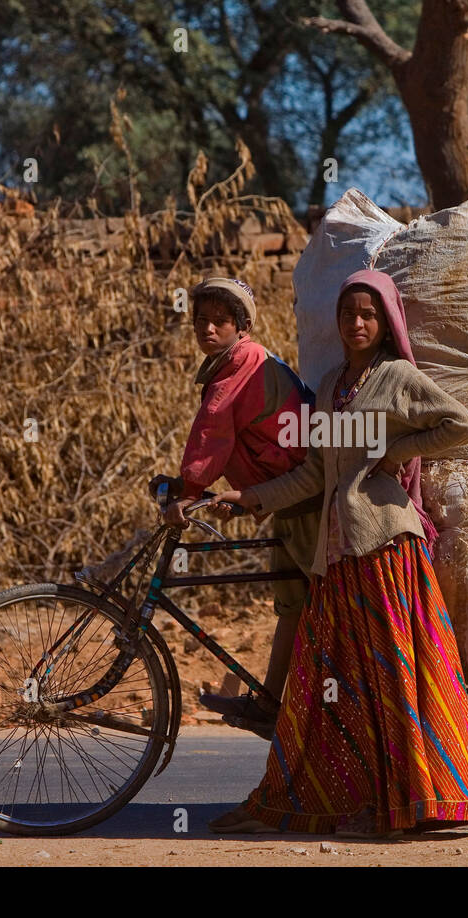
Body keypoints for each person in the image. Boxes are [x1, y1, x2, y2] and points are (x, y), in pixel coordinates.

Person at [206, 269, 468, 837]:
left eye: (367, 314)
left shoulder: (399, 377)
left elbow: (464, 425)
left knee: (392, 685)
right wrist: (251, 498)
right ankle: (298, 800)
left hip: (385, 552)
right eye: (346, 314)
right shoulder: (332, 383)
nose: (355, 323)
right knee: (322, 688)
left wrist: (397, 451)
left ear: (385, 323)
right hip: (335, 560)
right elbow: (315, 473)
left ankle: (405, 807)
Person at [169, 276, 321, 737]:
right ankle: (274, 703)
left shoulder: (243, 362)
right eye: (201, 322)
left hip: (305, 494)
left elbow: (213, 432)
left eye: (219, 322)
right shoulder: (232, 363)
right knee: (293, 605)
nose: (208, 330)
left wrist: (188, 491)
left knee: (321, 602)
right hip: (288, 498)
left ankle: (321, 706)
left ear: (242, 327)